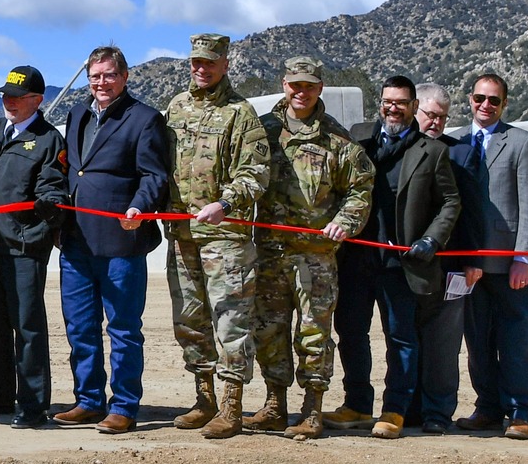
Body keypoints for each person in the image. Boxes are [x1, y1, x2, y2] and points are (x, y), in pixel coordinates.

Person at [334, 75, 462, 438]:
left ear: (413, 108)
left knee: (401, 338)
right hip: (357, 259)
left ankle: (395, 410)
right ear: (381, 103)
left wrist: (431, 240)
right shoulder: (358, 137)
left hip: (402, 264)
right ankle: (357, 404)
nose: (393, 108)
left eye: (401, 103)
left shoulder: (432, 151)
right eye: (388, 101)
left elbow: (451, 202)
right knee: (351, 332)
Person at [254, 57, 372, 440]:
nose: (300, 92)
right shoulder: (265, 131)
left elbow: (360, 190)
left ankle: (312, 408)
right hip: (270, 252)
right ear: (284, 84)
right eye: (294, 85)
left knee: (313, 334)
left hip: (315, 256)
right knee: (268, 331)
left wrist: (346, 222)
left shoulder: (337, 140)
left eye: (308, 85)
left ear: (319, 87)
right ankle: (274, 404)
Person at [161, 33, 273, 438]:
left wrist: (224, 204)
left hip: (225, 235)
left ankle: (232, 406)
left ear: (225, 63)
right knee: (190, 319)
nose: (201, 68)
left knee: (231, 321)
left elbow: (256, 172)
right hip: (182, 234)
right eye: (195, 61)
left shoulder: (240, 114)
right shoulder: (175, 107)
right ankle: (203, 397)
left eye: (209, 62)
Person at [56, 46, 172, 435]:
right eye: (95, 76)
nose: (101, 83)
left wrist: (139, 208)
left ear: (124, 77)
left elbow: (154, 175)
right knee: (80, 327)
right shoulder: (76, 114)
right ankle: (89, 400)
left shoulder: (144, 119)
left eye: (108, 75)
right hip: (75, 240)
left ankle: (123, 405)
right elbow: (76, 169)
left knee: (122, 328)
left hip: (121, 242)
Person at [0, 65, 69, 427]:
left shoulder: (49, 139)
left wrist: (48, 209)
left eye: (18, 97)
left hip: (23, 247)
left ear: (37, 100)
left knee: (28, 327)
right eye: (5, 95)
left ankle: (33, 404)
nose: (9, 102)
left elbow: (53, 187)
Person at [447, 72, 528, 439]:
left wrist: (523, 257)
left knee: (516, 340)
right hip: (469, 264)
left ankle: (520, 411)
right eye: (479, 98)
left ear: (504, 104)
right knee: (477, 341)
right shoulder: (455, 144)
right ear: (469, 99)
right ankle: (487, 407)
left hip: (508, 264)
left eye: (494, 100)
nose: (485, 105)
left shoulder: (522, 143)